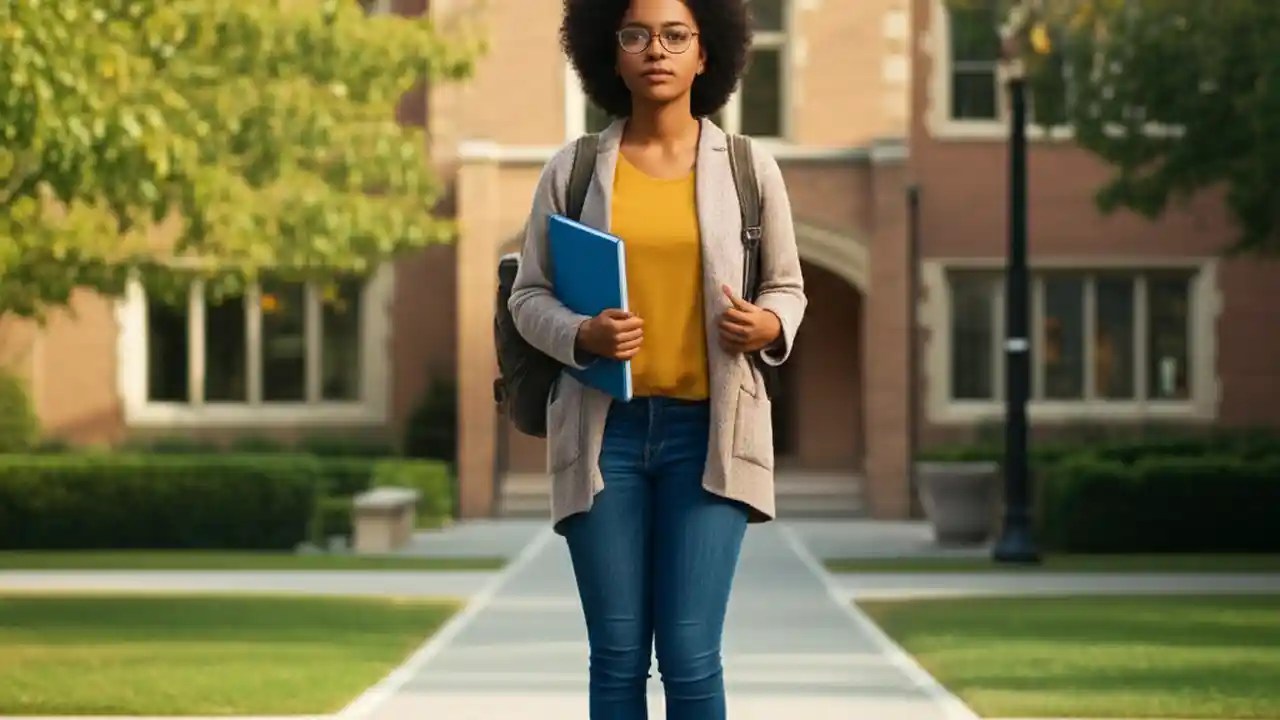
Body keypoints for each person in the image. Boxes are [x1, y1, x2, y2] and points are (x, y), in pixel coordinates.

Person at [508, 0, 806, 717]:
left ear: (707, 53)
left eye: (676, 35)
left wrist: (765, 323)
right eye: (636, 34)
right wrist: (583, 335)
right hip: (602, 438)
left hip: (708, 437)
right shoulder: (574, 169)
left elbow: (788, 289)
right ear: (607, 53)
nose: (657, 50)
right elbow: (528, 297)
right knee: (615, 656)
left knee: (690, 655)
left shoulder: (747, 167)